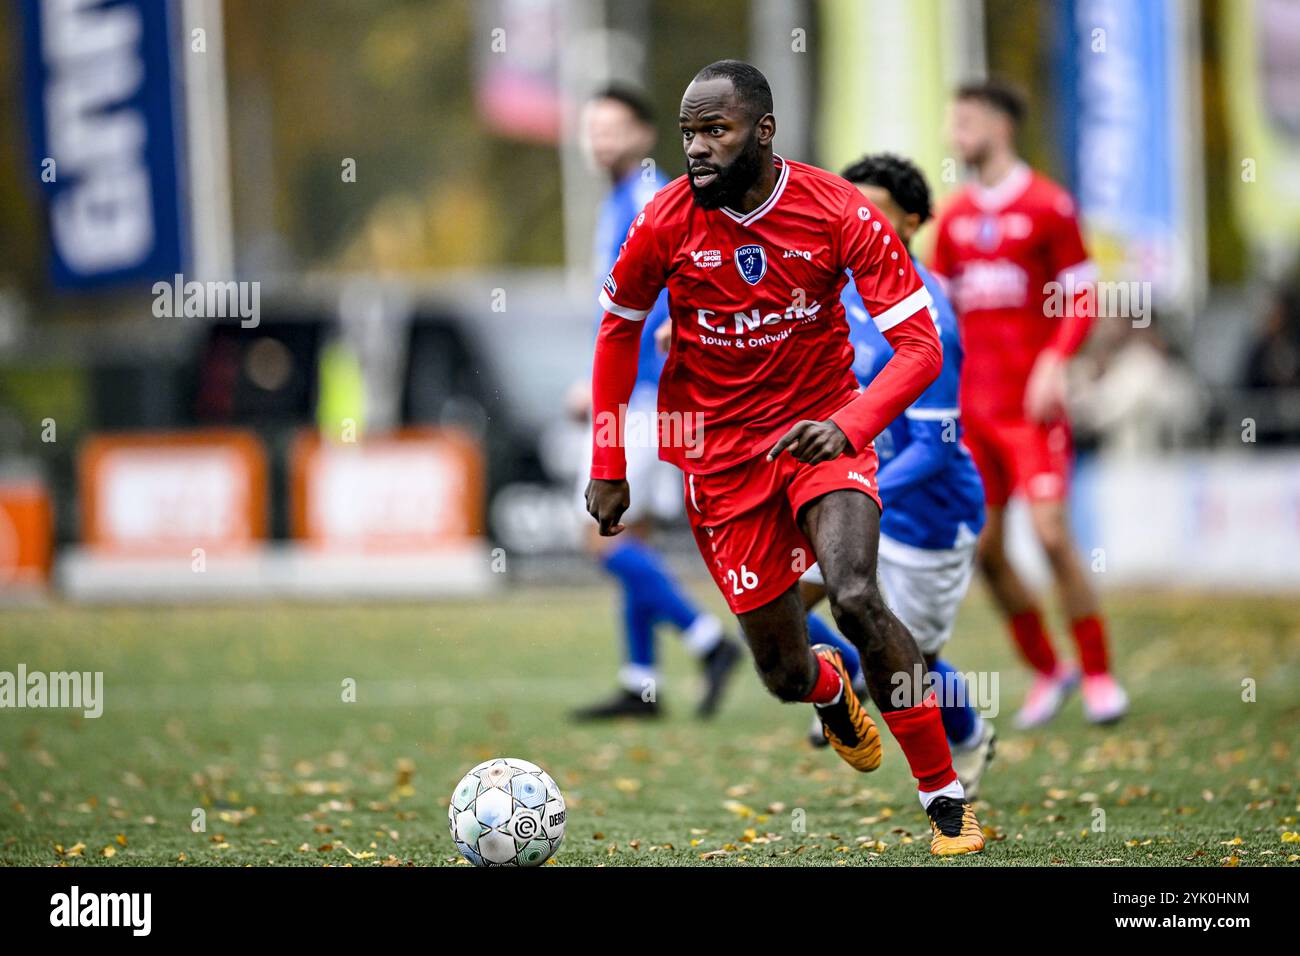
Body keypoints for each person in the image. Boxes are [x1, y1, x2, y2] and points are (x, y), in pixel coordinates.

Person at [586, 60, 984, 855]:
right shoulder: (663, 220)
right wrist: (608, 463)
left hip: (821, 437)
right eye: (689, 132)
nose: (697, 148)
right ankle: (830, 691)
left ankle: (946, 799)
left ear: (763, 132)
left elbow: (919, 345)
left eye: (716, 131)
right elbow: (617, 330)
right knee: (782, 672)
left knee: (857, 595)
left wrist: (852, 424)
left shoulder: (835, 208)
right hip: (719, 464)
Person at [930, 80, 1129, 728]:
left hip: (1031, 411)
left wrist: (1055, 359)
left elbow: (1081, 294)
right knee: (985, 549)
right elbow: (943, 312)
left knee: (1050, 534)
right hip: (974, 413)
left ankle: (1098, 673)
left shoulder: (1049, 204)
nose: (955, 135)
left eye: (965, 122)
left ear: (1000, 125)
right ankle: (1049, 670)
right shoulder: (955, 218)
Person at [799, 153, 995, 799]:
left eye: (875, 208)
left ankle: (967, 736)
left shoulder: (930, 315)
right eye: (849, 205)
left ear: (910, 222)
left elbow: (936, 449)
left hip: (929, 515)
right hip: (851, 491)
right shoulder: (839, 286)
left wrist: (861, 492)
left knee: (912, 668)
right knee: (772, 606)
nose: (857, 219)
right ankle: (841, 682)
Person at [568, 86, 742, 721]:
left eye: (614, 128)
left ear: (644, 134)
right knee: (628, 533)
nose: (601, 141)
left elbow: (670, 292)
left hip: (649, 394)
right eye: (594, 129)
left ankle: (708, 641)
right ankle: (640, 682)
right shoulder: (620, 198)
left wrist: (611, 383)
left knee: (599, 537)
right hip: (641, 393)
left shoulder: (648, 196)